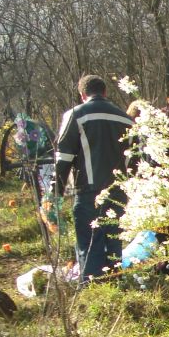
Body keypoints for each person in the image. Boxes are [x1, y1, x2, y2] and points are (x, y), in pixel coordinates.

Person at [50, 74, 134, 283]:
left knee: (89, 243)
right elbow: (134, 160)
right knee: (114, 240)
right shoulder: (124, 118)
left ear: (82, 95)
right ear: (105, 92)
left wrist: (55, 192)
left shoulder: (76, 114)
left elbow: (64, 158)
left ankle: (92, 289)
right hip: (118, 191)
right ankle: (116, 283)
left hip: (89, 190)